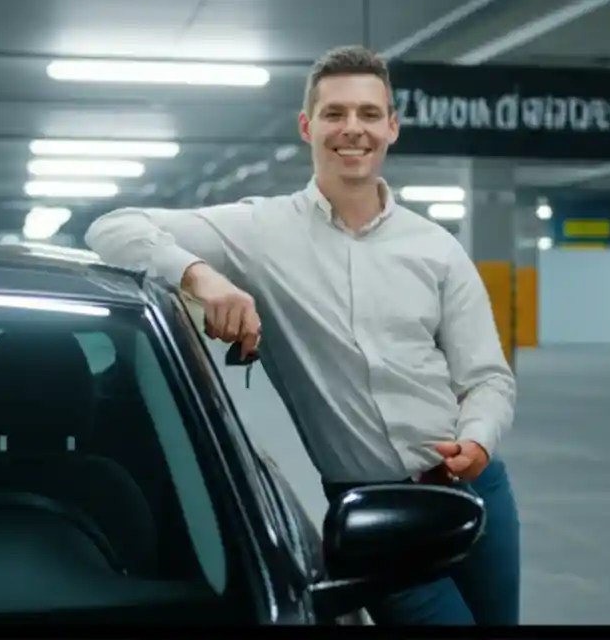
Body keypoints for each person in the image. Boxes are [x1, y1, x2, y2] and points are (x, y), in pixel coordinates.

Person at [84, 45, 520, 626]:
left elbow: (487, 377)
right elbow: (112, 227)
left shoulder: (435, 248)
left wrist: (478, 442)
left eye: (369, 114)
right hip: (375, 511)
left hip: (475, 490)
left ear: (392, 126)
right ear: (307, 126)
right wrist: (201, 276)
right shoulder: (260, 231)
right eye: (335, 113)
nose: (352, 130)